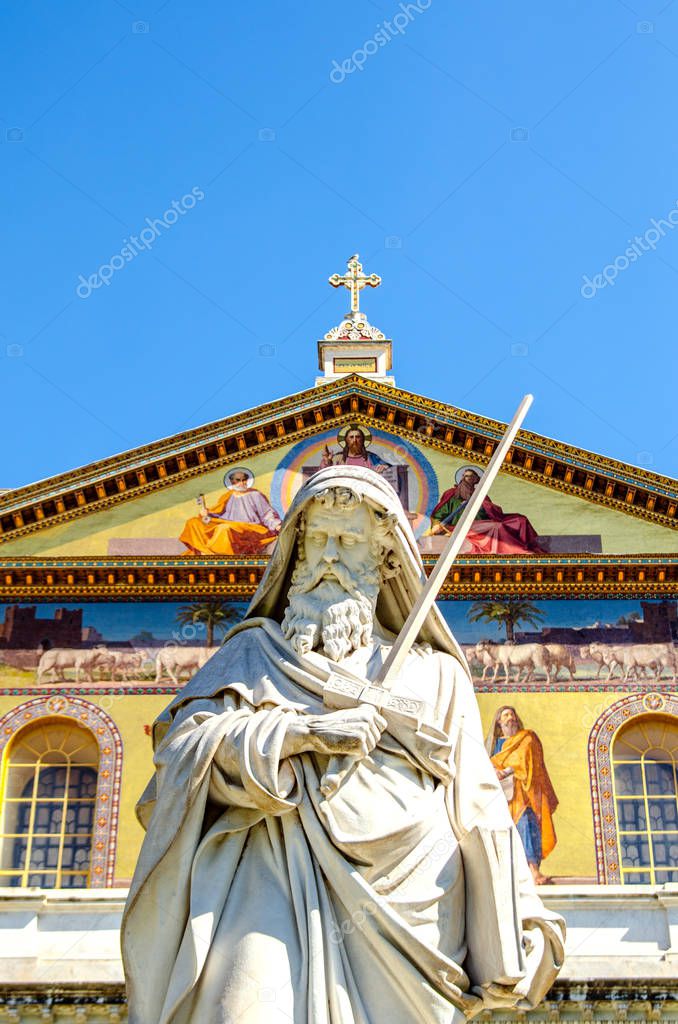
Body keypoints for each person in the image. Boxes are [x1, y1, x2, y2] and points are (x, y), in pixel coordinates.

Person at [123, 467, 564, 1024]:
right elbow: (181, 757)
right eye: (318, 540)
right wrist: (293, 735)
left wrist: (518, 910)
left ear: (386, 561)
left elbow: (477, 800)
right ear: (295, 552)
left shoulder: (436, 674)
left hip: (417, 904)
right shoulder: (253, 655)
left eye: (349, 541)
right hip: (271, 873)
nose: (330, 556)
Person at [486, 706, 559, 885]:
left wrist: (508, 770)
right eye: (506, 715)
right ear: (498, 721)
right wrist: (494, 770)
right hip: (501, 795)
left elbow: (528, 761)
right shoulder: (493, 744)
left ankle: (534, 872)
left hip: (525, 794)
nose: (510, 718)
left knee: (528, 826)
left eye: (512, 715)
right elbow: (483, 763)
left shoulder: (527, 738)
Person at [429, 467, 543, 554]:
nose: (465, 478)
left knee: (519, 520)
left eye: (468, 476)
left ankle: (523, 547)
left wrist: (481, 505)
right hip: (457, 527)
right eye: (464, 476)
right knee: (497, 527)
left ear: (475, 480)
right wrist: (436, 524)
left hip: (480, 525)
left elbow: (492, 514)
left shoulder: (481, 496)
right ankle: (517, 551)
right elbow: (439, 514)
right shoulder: (453, 495)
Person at [179, 468, 281, 555]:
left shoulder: (255, 495)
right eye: (238, 480)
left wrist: (276, 525)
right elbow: (218, 514)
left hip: (250, 529)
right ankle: (204, 550)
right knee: (193, 522)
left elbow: (267, 514)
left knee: (224, 529)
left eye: (244, 480)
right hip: (227, 524)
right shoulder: (227, 496)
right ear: (232, 482)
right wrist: (207, 513)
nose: (242, 482)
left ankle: (212, 553)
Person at [319, 424, 390, 474]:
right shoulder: (338, 458)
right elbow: (324, 475)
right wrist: (327, 462)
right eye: (351, 437)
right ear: (346, 440)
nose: (354, 440)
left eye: (358, 437)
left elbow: (389, 468)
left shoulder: (371, 457)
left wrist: (385, 467)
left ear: (362, 440)